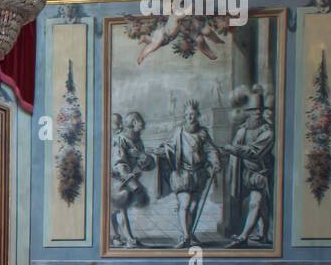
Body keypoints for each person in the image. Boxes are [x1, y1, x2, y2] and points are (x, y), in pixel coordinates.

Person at [153, 100, 222, 248]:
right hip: (181, 174)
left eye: (192, 114)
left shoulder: (203, 133)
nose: (190, 117)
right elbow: (168, 147)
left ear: (197, 115)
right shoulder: (178, 131)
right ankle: (185, 237)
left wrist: (215, 161)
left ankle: (189, 234)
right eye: (187, 115)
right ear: (184, 116)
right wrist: (159, 151)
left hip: (199, 174)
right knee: (184, 205)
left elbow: (211, 150)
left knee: (194, 206)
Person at [223, 89, 275, 248]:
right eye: (254, 110)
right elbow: (234, 152)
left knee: (256, 203)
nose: (258, 113)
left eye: (260, 110)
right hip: (249, 175)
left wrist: (233, 149)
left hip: (263, 175)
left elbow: (254, 153)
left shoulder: (268, 132)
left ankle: (243, 237)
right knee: (263, 207)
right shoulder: (242, 131)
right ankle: (264, 235)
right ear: (248, 113)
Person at [109, 111, 153, 248]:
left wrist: (143, 158)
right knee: (117, 208)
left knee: (117, 209)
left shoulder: (138, 141)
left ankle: (122, 238)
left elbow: (143, 164)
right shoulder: (119, 139)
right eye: (141, 122)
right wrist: (133, 184)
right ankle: (124, 238)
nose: (144, 124)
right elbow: (119, 163)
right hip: (116, 179)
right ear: (134, 123)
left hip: (127, 180)